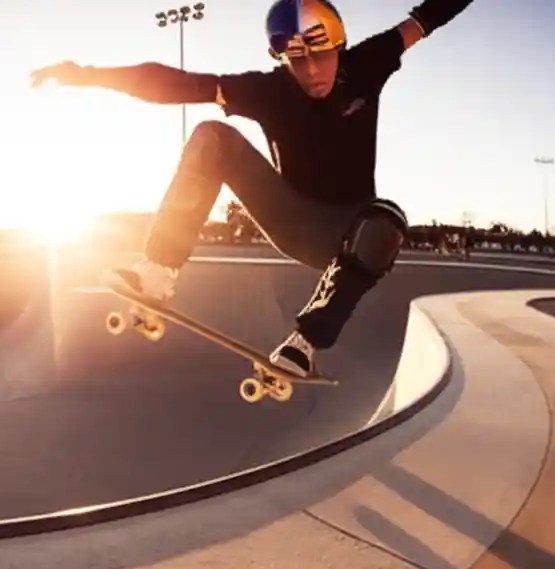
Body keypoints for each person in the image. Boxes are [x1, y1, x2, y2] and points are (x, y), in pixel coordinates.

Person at [31, 0, 475, 377]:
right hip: (289, 219)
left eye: (322, 57)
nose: (313, 72)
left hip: (349, 233)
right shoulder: (268, 90)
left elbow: (426, 18)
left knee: (388, 217)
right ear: (283, 59)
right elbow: (177, 84)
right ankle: (156, 273)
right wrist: (87, 75)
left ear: (339, 46)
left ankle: (306, 342)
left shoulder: (368, 62)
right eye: (298, 62)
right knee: (210, 136)